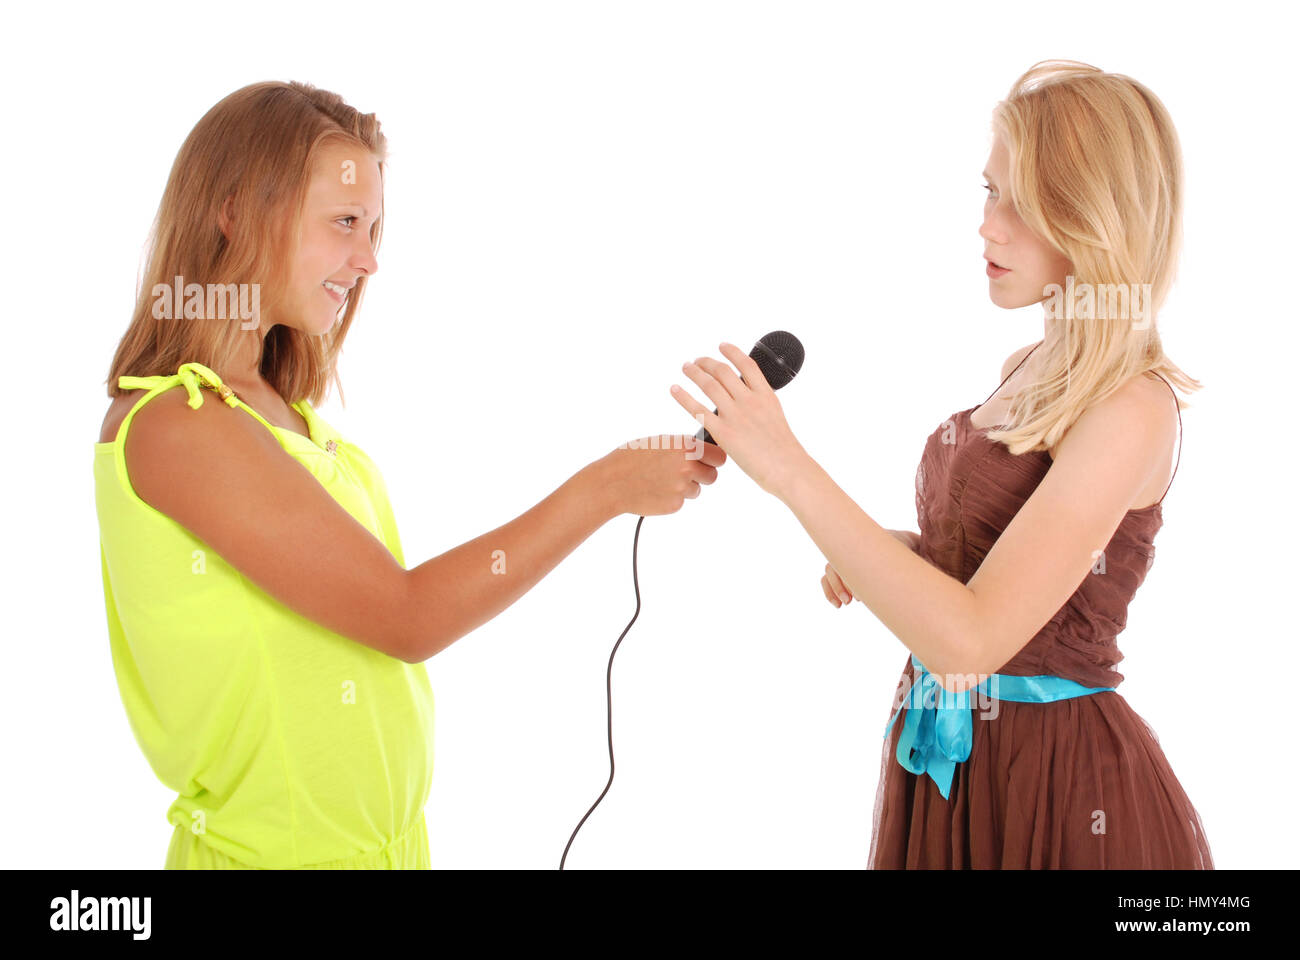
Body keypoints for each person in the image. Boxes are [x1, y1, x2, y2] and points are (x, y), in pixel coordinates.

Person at [94, 81, 725, 870]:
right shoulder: (178, 426)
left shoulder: (282, 416)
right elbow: (405, 613)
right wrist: (605, 488)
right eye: (346, 223)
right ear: (235, 212)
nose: (368, 259)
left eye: (375, 228)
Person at [670, 60, 1214, 868]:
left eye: (1020, 203)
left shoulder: (1131, 410)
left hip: (1059, 788)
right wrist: (899, 552)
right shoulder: (1024, 368)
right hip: (957, 763)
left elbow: (970, 642)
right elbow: (1004, 572)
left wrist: (787, 465)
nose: (989, 226)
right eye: (989, 192)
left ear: (1095, 217)